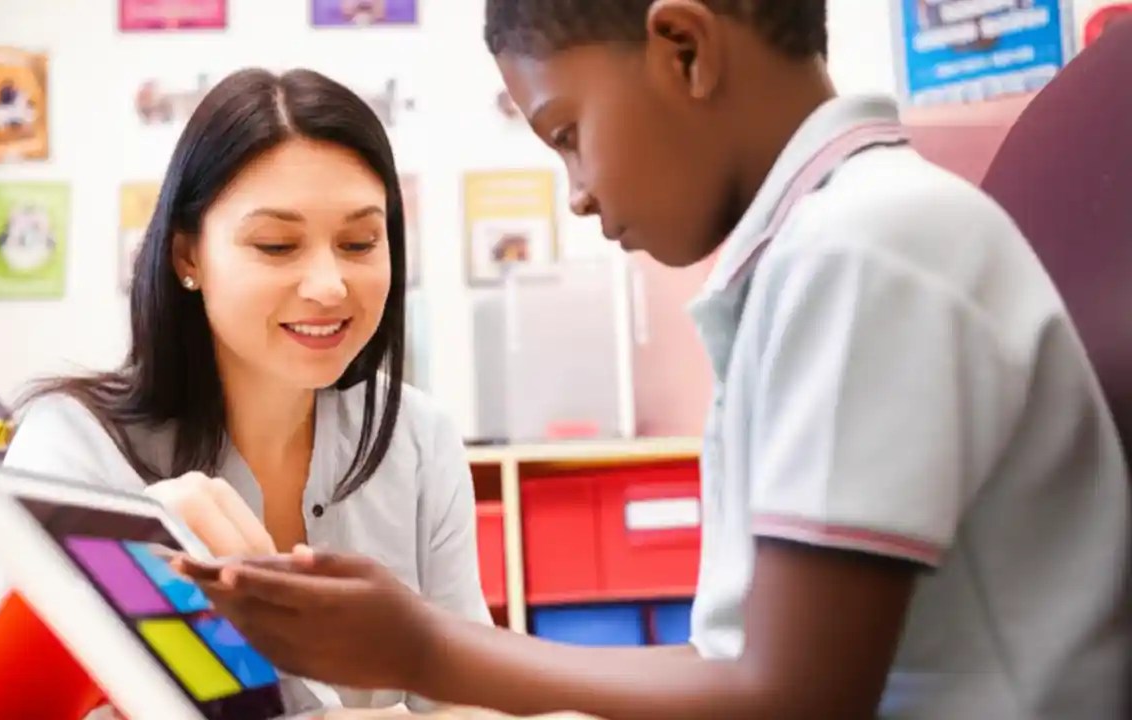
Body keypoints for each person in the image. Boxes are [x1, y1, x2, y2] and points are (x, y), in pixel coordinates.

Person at [175, 2, 1132, 719]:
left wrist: (424, 648)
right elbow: (743, 665)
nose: (578, 193)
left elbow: (794, 697)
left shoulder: (866, 246)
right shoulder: (832, 245)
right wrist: (428, 646)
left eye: (567, 134)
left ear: (684, 50)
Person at [0, 67, 491, 715]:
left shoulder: (419, 441)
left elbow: (467, 701)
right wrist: (117, 572)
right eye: (277, 245)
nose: (330, 285)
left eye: (360, 242)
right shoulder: (75, 443)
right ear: (188, 256)